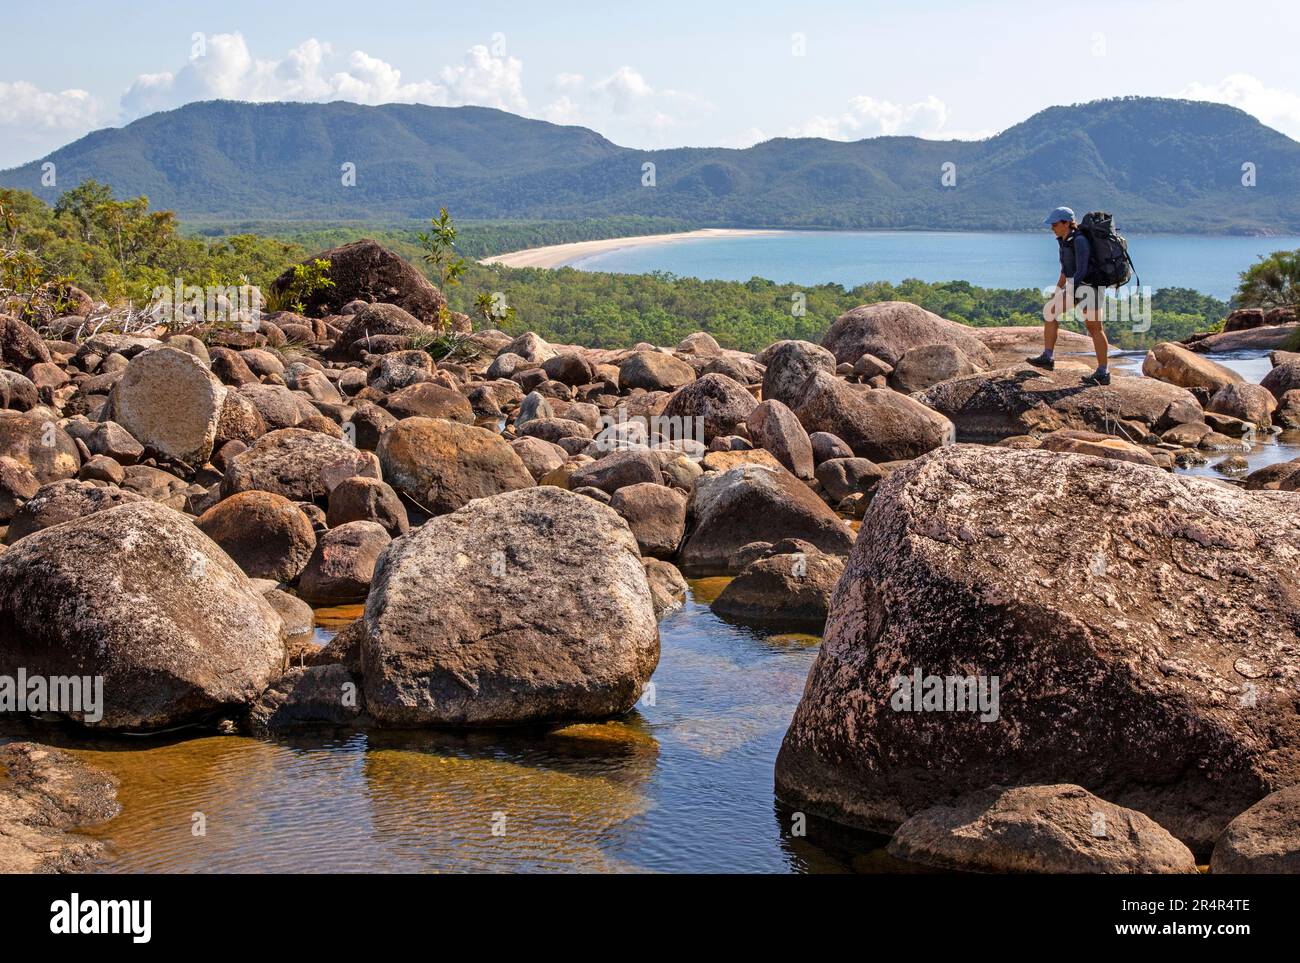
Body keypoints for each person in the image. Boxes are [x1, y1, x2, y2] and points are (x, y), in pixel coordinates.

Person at [1026, 206, 1110, 385]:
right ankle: (1047, 356)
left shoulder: (1079, 240)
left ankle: (1103, 371)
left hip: (1091, 287)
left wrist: (1069, 290)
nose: (1052, 227)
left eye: (1055, 224)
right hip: (1075, 286)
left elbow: (1082, 269)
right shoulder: (1063, 241)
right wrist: (1058, 289)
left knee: (1094, 327)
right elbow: (1066, 270)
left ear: (1066, 223)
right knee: (1050, 312)